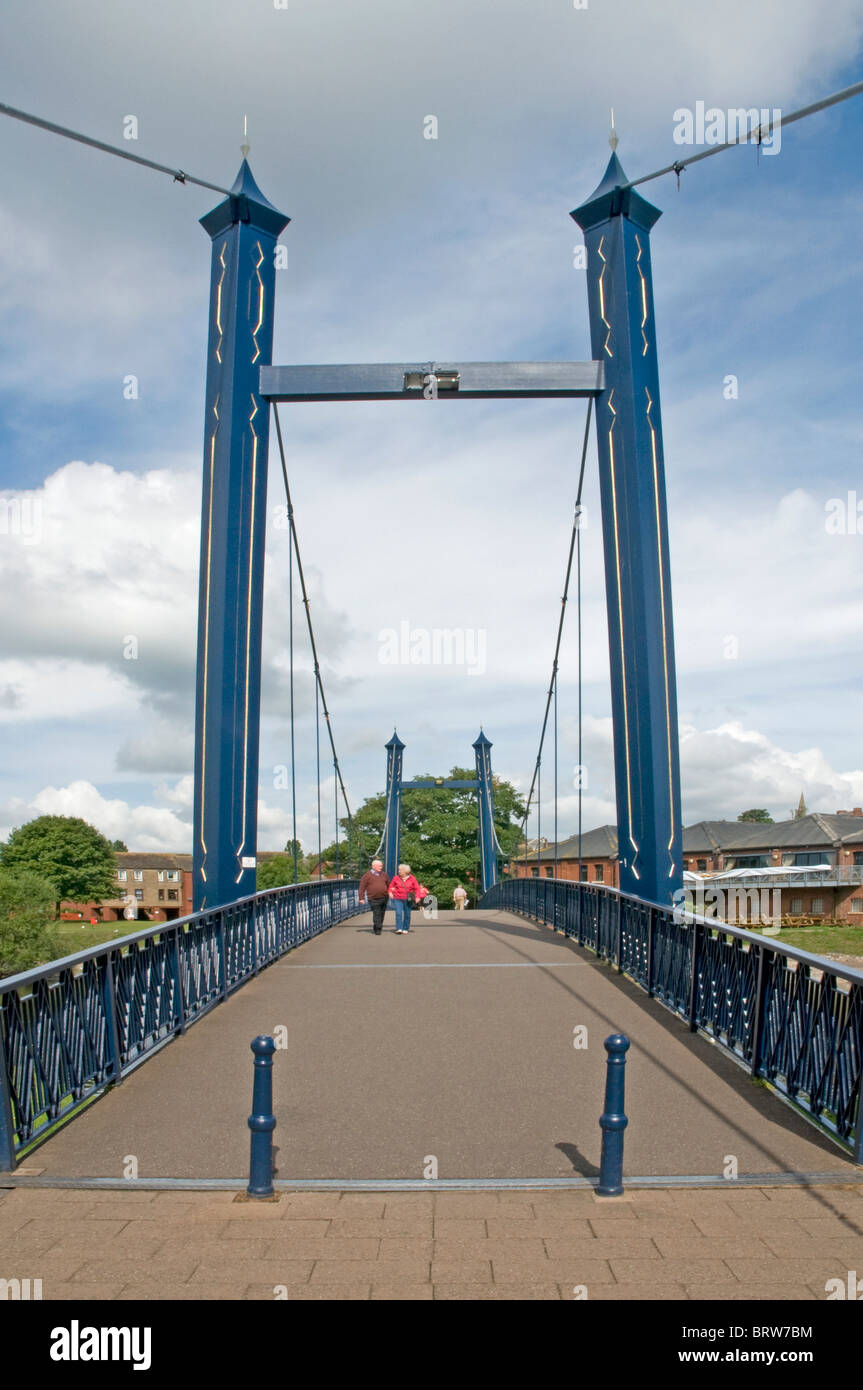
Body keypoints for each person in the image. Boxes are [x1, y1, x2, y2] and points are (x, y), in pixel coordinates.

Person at [358, 858, 390, 935]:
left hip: (384, 897)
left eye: (381, 866)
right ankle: (378, 929)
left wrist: (390, 892)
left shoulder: (384, 874)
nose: (381, 867)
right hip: (373, 898)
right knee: (377, 913)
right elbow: (362, 887)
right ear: (373, 866)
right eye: (379, 866)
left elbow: (389, 885)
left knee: (382, 913)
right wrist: (361, 898)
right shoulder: (367, 875)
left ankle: (377, 926)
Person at [389, 863, 422, 934]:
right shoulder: (396, 878)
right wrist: (390, 892)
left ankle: (405, 928)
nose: (399, 871)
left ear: (405, 871)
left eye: (400, 870)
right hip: (398, 898)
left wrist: (418, 897)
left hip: (408, 899)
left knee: (407, 914)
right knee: (398, 913)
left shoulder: (412, 878)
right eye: (399, 870)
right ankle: (399, 928)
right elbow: (391, 886)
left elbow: (417, 888)